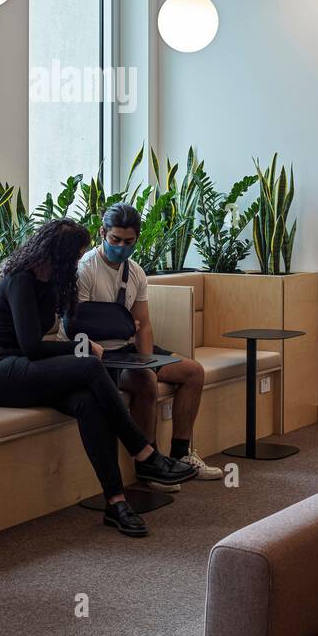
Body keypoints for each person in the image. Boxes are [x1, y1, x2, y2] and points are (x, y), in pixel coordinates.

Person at [0, 218, 196, 537]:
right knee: (89, 365)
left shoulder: (50, 283)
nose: (76, 263)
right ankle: (145, 452)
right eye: (73, 257)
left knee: (88, 402)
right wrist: (82, 348)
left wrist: (82, 347)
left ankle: (116, 503)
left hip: (29, 371)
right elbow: (31, 346)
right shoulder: (21, 281)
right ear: (58, 254)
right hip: (2, 371)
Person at [67, 203, 223, 484]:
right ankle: (150, 464)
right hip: (98, 353)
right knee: (147, 384)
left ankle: (180, 454)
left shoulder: (136, 272)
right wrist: (125, 336)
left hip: (127, 350)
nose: (121, 246)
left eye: (129, 242)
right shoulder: (85, 270)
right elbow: (77, 326)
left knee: (193, 372)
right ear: (102, 233)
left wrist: (146, 361)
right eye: (115, 240)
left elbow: (144, 324)